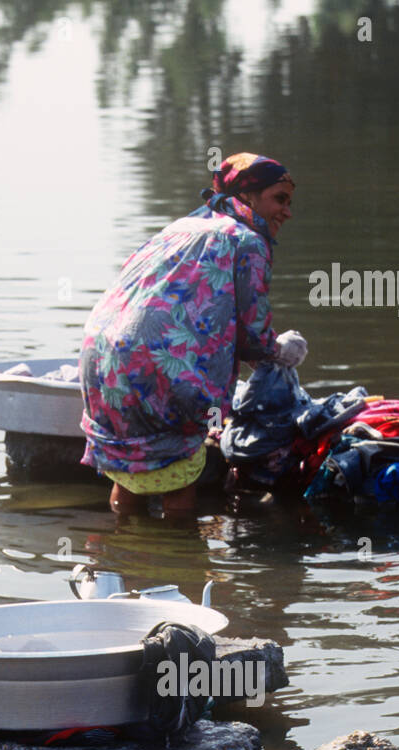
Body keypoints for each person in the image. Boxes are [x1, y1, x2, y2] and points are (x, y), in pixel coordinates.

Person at [80, 152, 307, 516]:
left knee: (127, 477)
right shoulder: (248, 241)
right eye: (279, 199)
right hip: (162, 369)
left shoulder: (181, 227)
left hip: (100, 358)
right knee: (180, 482)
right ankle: (183, 565)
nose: (287, 212)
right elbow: (254, 335)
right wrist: (281, 349)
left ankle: (118, 557)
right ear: (248, 197)